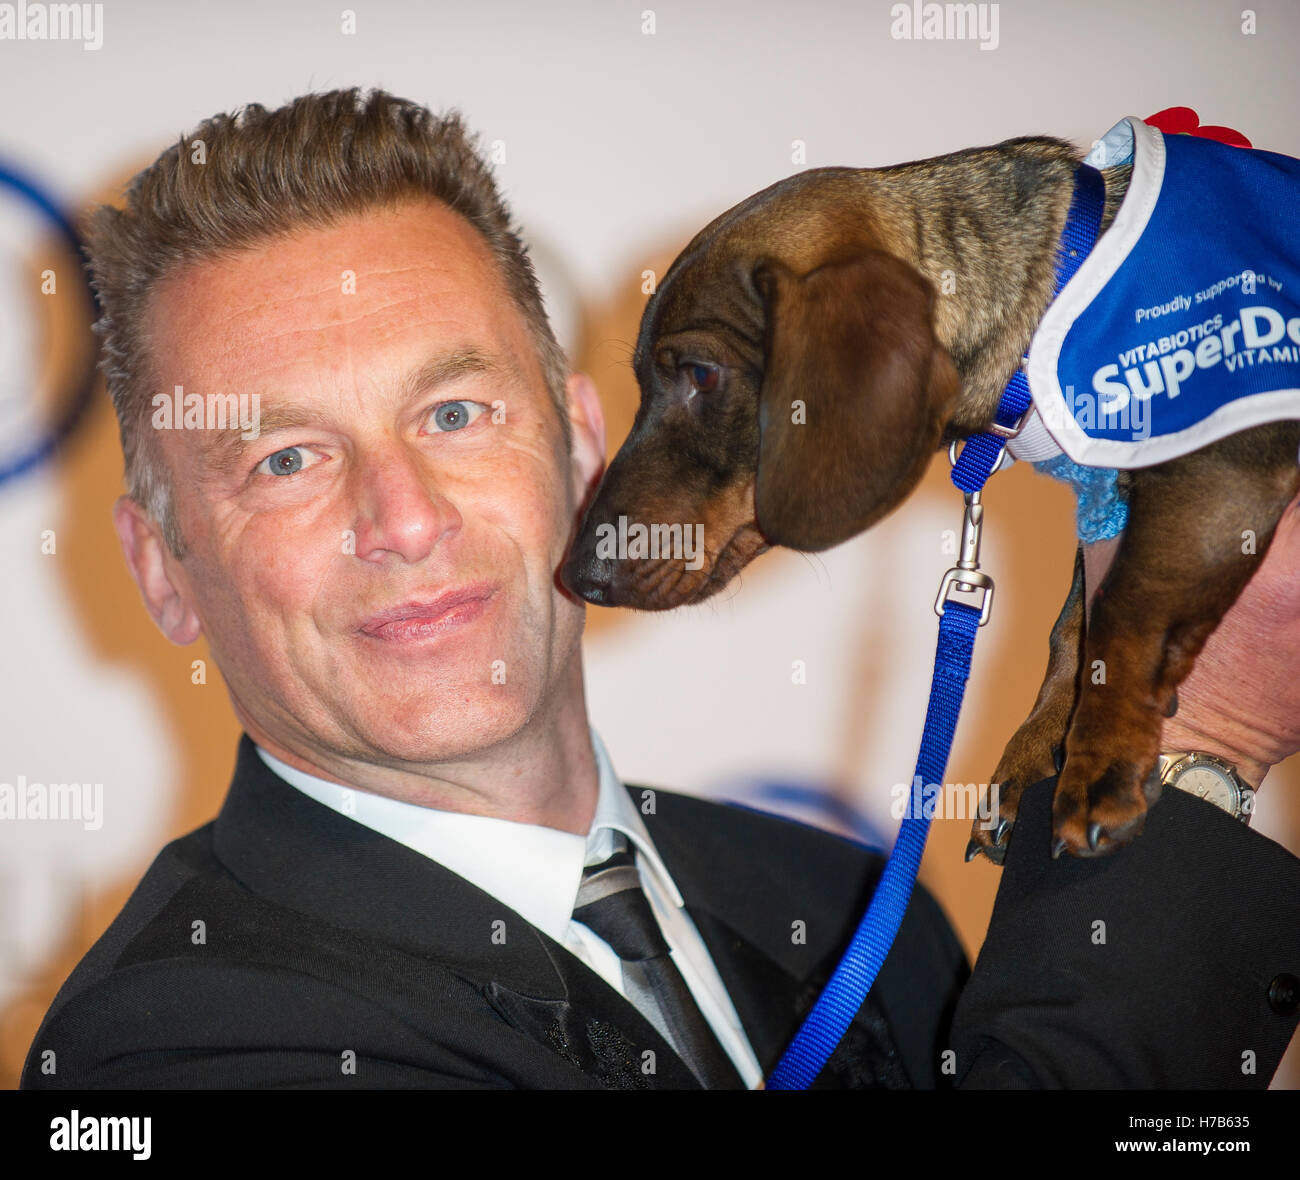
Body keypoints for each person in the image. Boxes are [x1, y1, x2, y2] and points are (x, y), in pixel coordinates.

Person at [21, 88, 1300, 1090]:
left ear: (585, 451)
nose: (403, 520)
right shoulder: (176, 1044)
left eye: (456, 411)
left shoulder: (854, 915)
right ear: (161, 570)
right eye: (285, 458)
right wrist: (1202, 728)